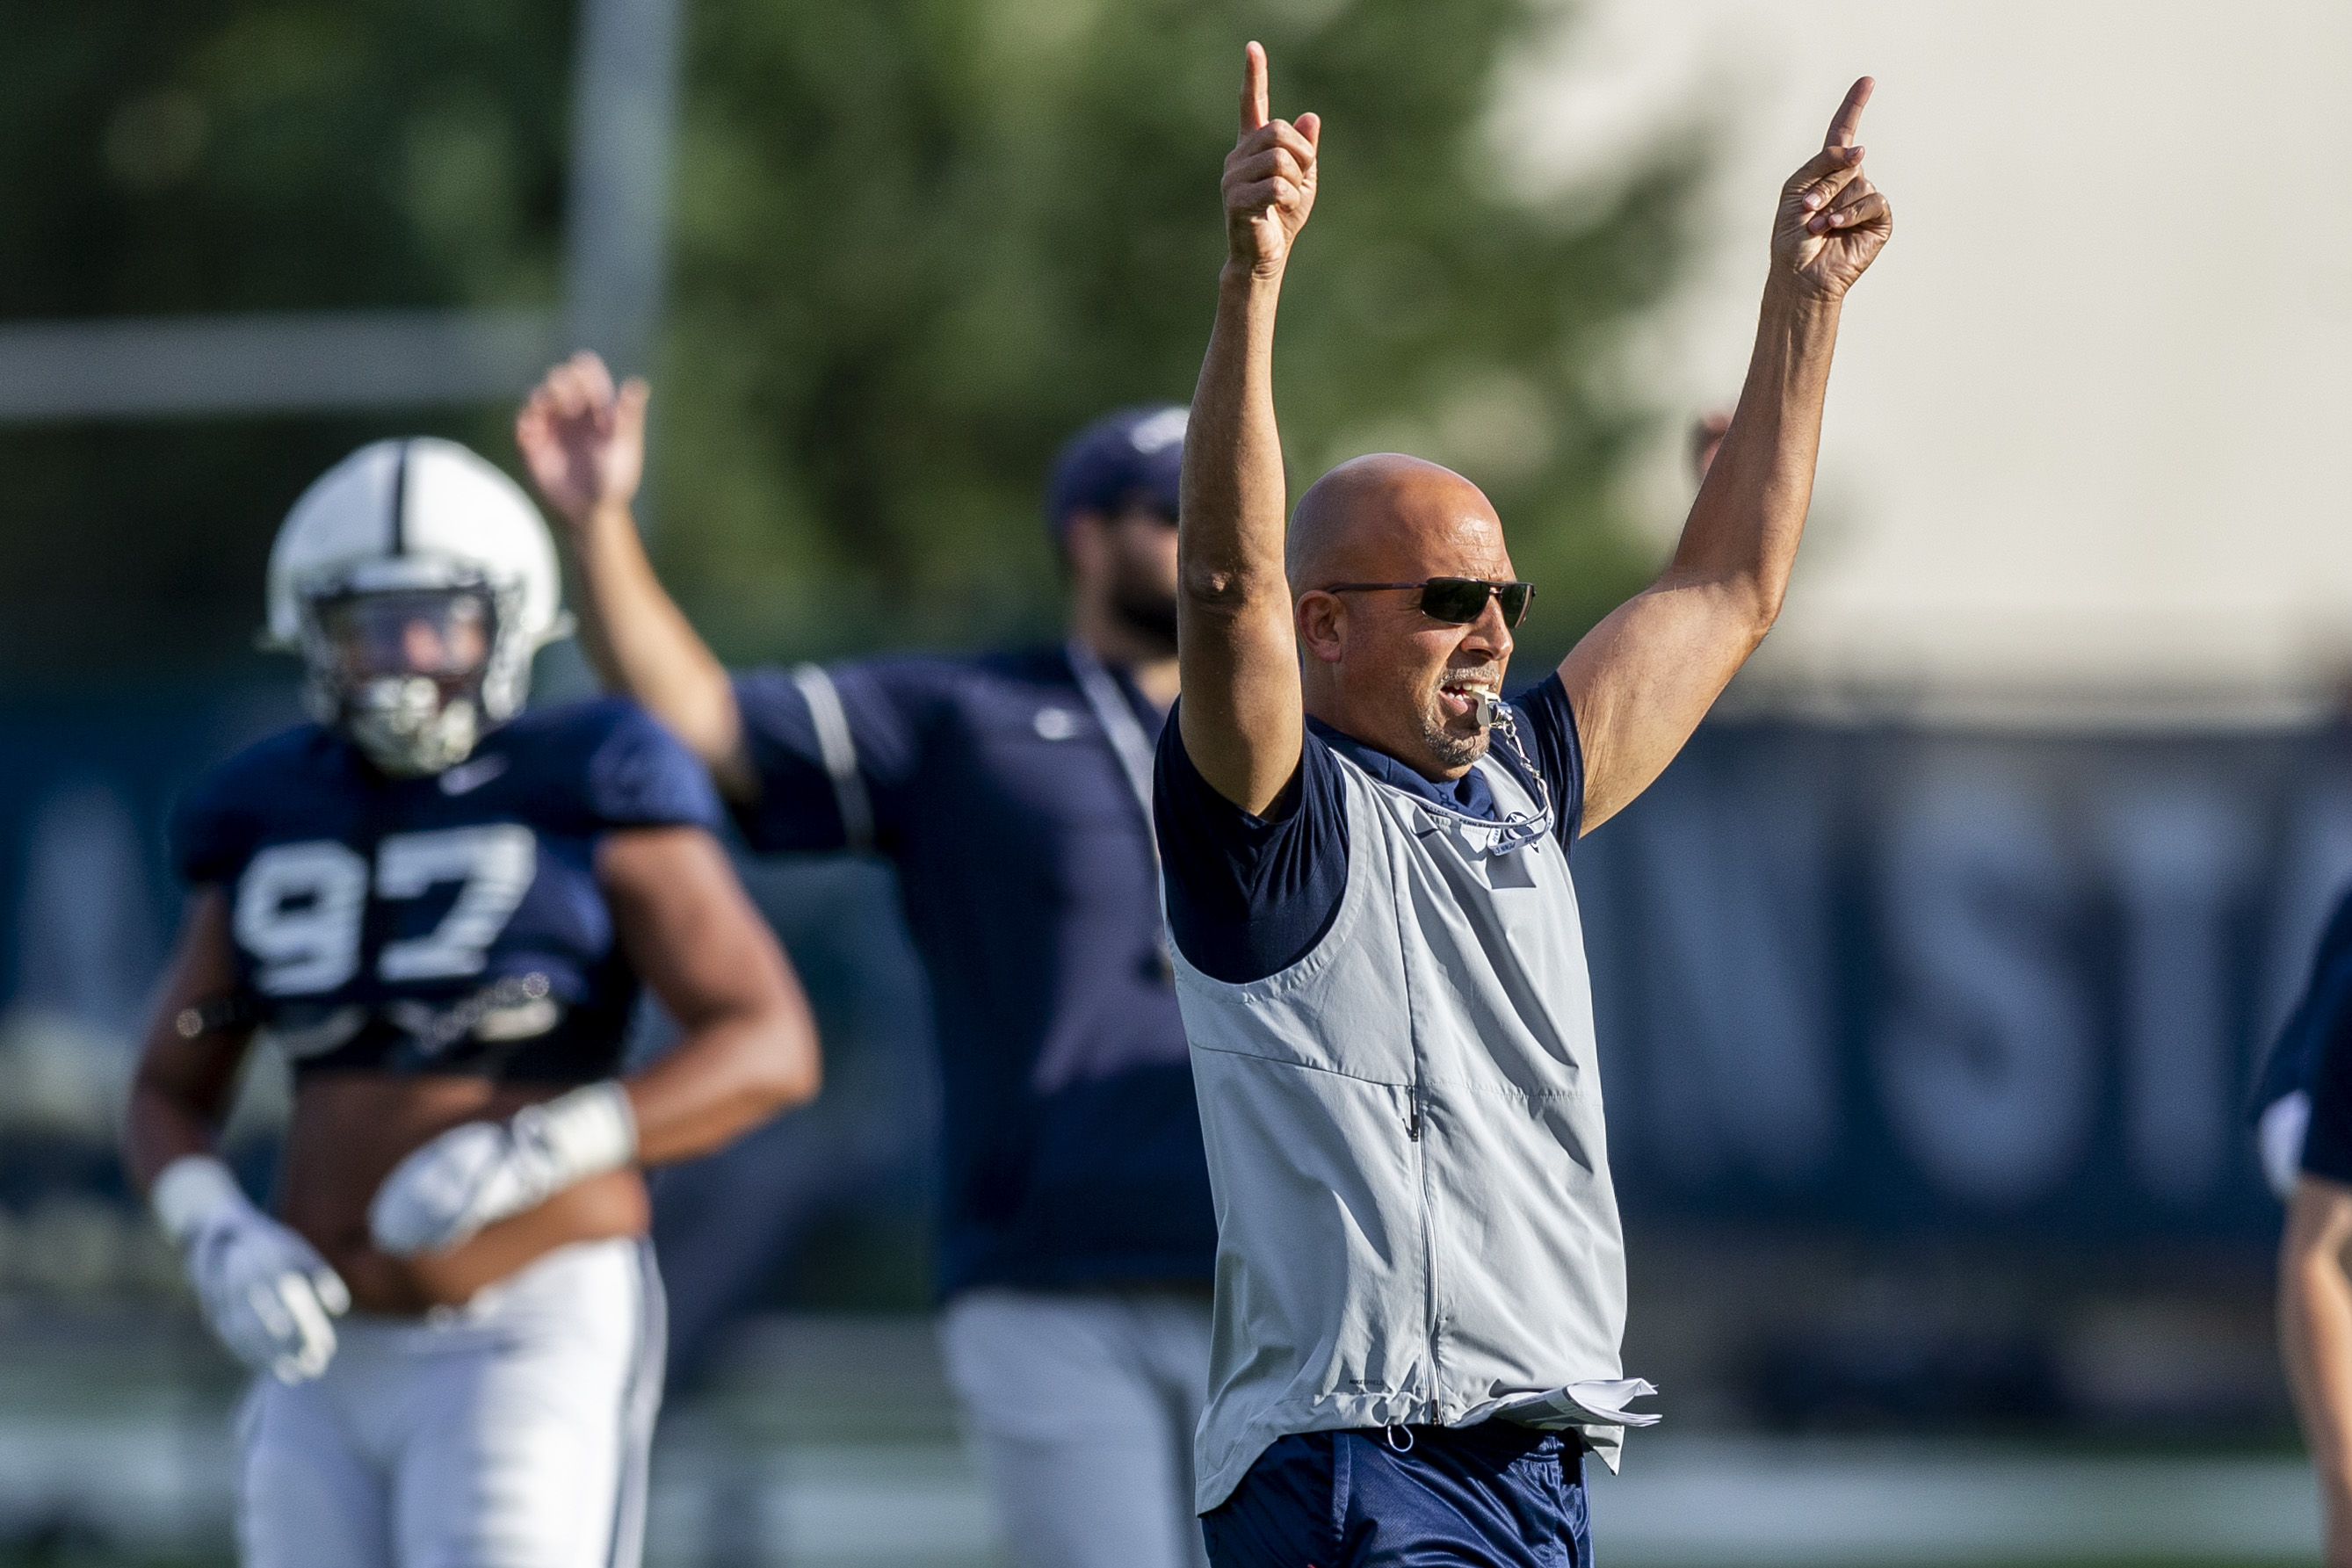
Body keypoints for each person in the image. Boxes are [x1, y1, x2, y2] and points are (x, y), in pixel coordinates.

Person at [1159, 43, 1891, 1562]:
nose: (1491, 628)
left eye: (1505, 596)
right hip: (1358, 1460)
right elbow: (1225, 585)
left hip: (1538, 1465)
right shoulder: (1274, 827)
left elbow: (1724, 587)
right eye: (1446, 598)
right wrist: (1250, 279)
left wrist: (1803, 300)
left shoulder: (1524, 780)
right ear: (1323, 625)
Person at [514, 358, 1220, 1568]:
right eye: (1171, 513)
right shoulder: (969, 716)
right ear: (1085, 534)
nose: (1207, 542)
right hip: (1048, 1276)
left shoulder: (1300, 730)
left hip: (1268, 1276)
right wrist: (597, 525)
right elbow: (706, 723)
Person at [121, 437, 822, 1568]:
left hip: (526, 1326)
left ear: (510, 625)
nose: (404, 660)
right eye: (369, 627)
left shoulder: (588, 780)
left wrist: (541, 1150)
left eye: (437, 624)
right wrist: (220, 1235)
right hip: (320, 1345)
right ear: (312, 638)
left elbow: (768, 1041)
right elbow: (170, 1081)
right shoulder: (269, 810)